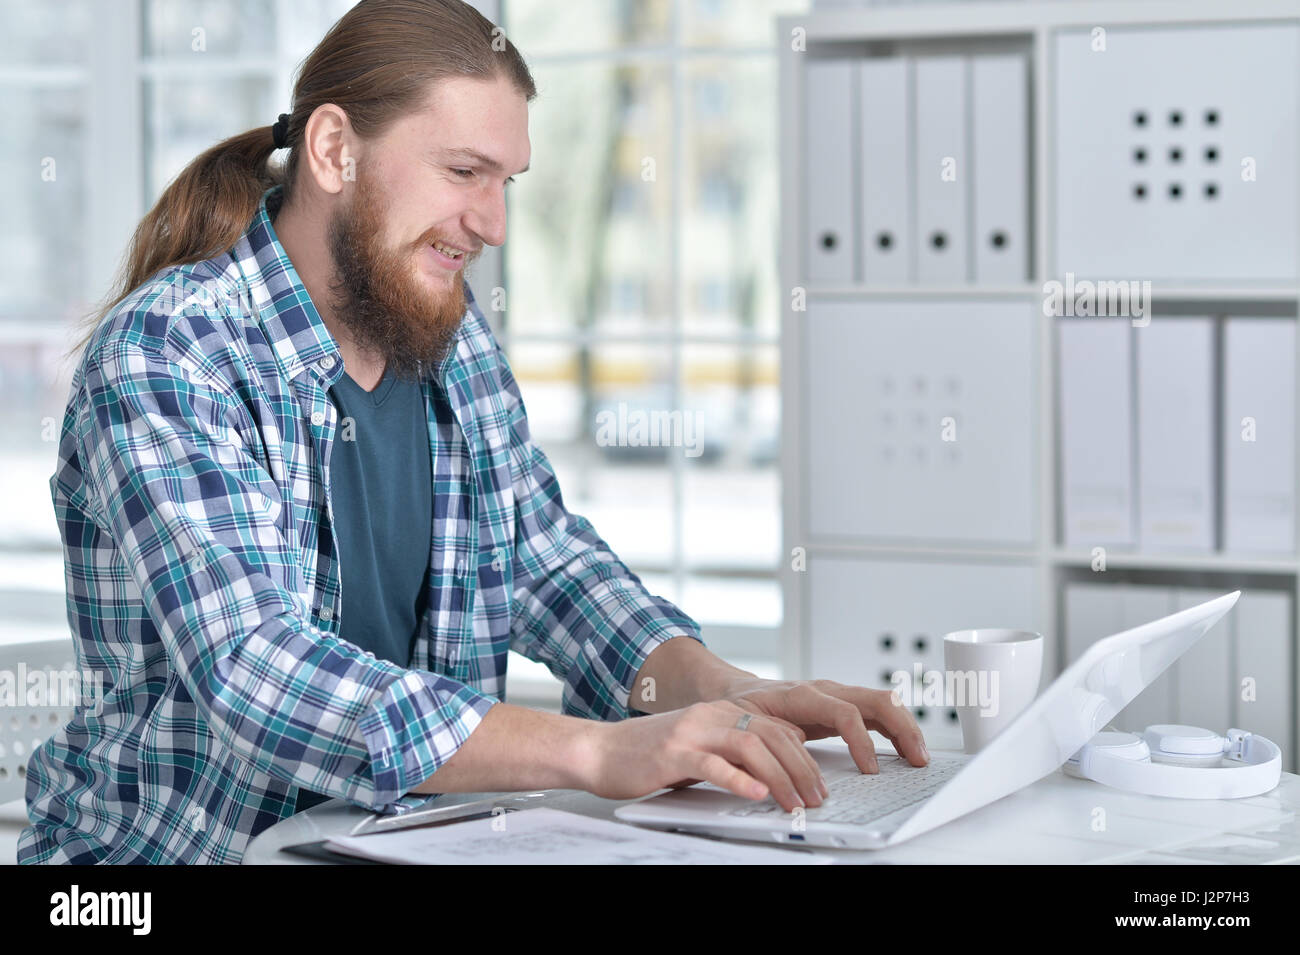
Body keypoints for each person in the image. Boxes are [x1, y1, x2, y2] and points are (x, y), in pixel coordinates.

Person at [19, 0, 926, 865]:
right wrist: (598, 753)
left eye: (506, 184)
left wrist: (722, 690)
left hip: (386, 843)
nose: (493, 223)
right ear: (335, 149)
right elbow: (258, 672)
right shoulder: (171, 352)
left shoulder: (447, 338)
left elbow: (548, 565)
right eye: (463, 173)